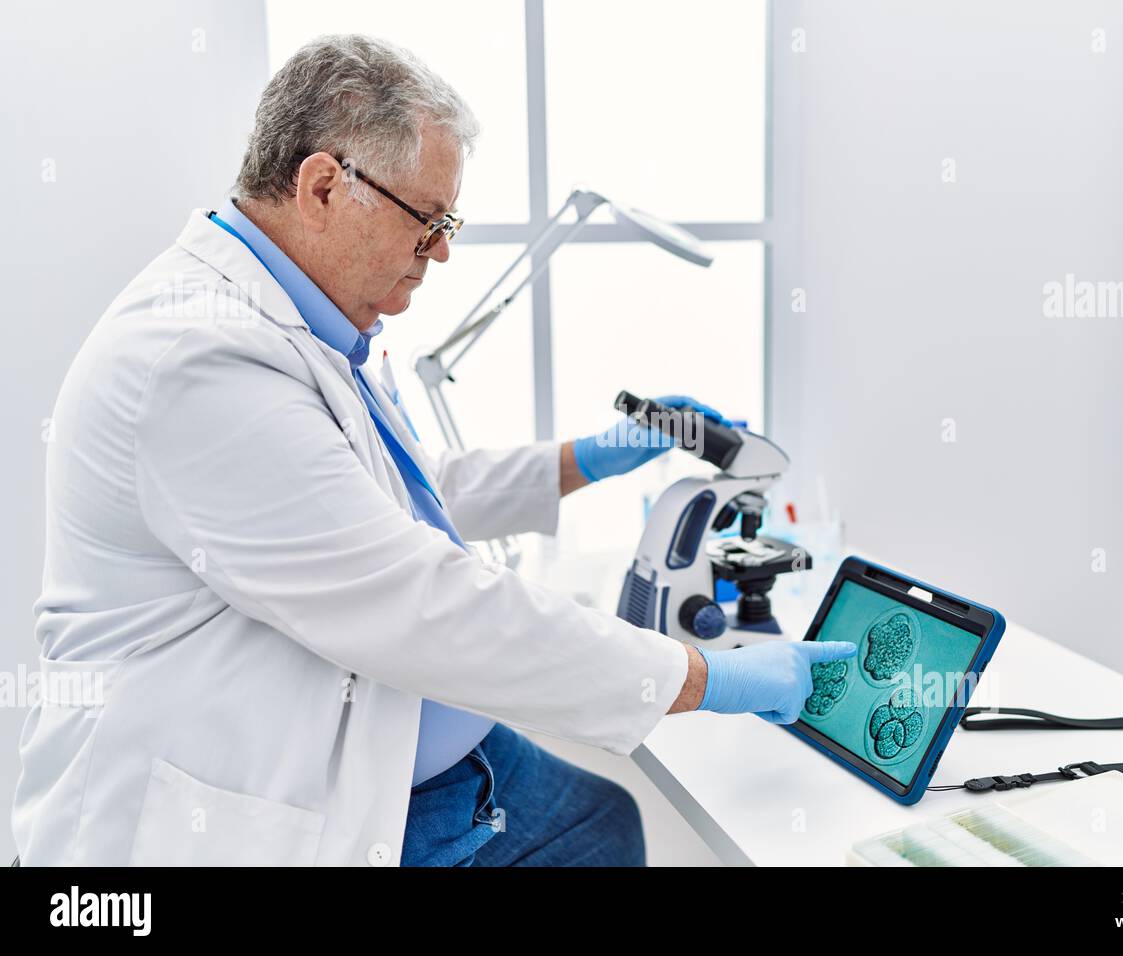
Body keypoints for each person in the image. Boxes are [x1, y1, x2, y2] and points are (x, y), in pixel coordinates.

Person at [11, 34, 853, 867]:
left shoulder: (302, 319)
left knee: (601, 823)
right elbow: (422, 602)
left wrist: (586, 458)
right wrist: (706, 676)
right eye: (428, 219)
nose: (443, 249)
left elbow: (382, 500)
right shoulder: (199, 359)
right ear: (323, 186)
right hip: (255, 803)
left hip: (436, 753)